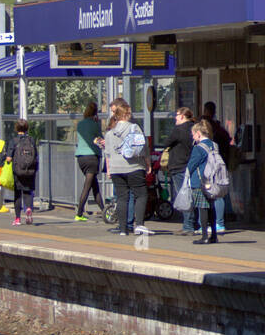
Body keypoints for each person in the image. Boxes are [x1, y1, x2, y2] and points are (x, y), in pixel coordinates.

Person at [102, 98, 151, 237]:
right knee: (141, 195)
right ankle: (139, 225)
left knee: (122, 198)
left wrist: (109, 169)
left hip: (116, 168)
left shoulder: (110, 133)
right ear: (127, 114)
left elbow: (108, 153)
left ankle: (123, 229)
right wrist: (148, 163)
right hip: (134, 166)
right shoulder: (134, 128)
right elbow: (143, 147)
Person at [160, 107, 195, 235]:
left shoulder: (179, 129)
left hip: (179, 165)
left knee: (184, 195)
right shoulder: (194, 128)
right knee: (190, 194)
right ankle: (192, 223)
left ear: (182, 116)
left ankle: (188, 226)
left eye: (177, 115)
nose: (175, 117)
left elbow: (166, 142)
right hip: (191, 165)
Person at [184, 121, 219, 245]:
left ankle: (204, 236)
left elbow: (191, 165)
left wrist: (186, 175)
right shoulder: (214, 145)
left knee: (203, 208)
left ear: (198, 134)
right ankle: (214, 235)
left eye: (193, 134)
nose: (192, 137)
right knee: (211, 208)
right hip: (213, 181)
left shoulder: (198, 148)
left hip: (200, 181)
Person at [201, 102, 234, 231]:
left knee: (210, 193)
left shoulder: (206, 126)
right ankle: (226, 216)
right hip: (221, 162)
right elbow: (227, 139)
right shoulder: (219, 127)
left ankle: (214, 222)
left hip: (210, 165)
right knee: (221, 190)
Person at [74, 102, 104, 222]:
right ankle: (79, 212)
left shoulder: (80, 124)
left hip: (81, 157)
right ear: (96, 112)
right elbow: (100, 138)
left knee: (94, 185)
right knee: (87, 186)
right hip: (92, 157)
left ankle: (104, 209)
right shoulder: (95, 124)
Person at [5, 120, 38, 226]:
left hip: (18, 171)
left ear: (16, 128)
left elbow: (9, 158)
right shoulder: (31, 140)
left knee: (18, 194)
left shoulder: (14, 141)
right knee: (28, 192)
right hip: (30, 170)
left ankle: (18, 219)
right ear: (27, 128)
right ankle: (28, 208)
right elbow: (35, 155)